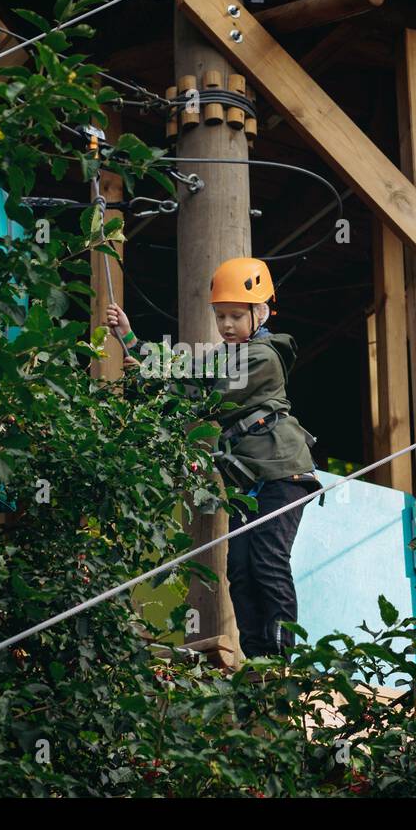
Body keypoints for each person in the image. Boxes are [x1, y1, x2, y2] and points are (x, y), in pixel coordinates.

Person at [104, 256, 321, 661]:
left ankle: (278, 658)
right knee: (239, 570)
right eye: (220, 316)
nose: (225, 326)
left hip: (283, 474)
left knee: (268, 560)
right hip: (247, 484)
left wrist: (154, 380)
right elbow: (188, 369)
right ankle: (255, 658)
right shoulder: (226, 355)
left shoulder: (263, 356)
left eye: (236, 316)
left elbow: (210, 396)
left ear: (261, 311)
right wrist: (131, 341)